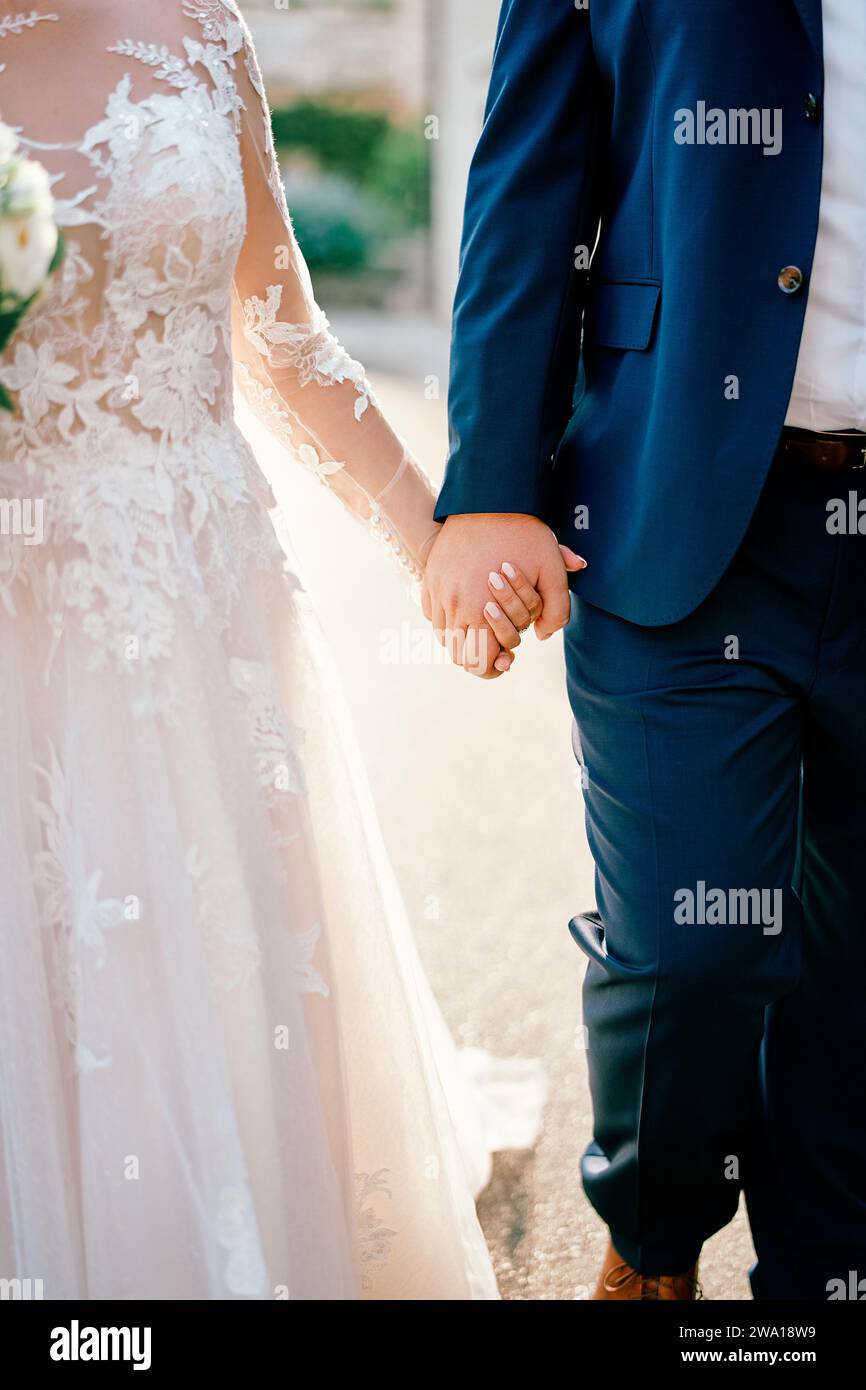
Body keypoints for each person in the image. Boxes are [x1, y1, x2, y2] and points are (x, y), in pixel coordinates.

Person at [0, 0, 555, 1300]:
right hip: (27, 620)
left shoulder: (200, 24)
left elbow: (280, 325)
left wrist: (432, 540)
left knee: (225, 997)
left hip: (208, 613)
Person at [425, 0, 866, 1300]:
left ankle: (817, 1279)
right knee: (690, 940)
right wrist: (488, 483)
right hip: (681, 500)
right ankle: (652, 1229)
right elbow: (530, 176)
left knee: (849, 971)